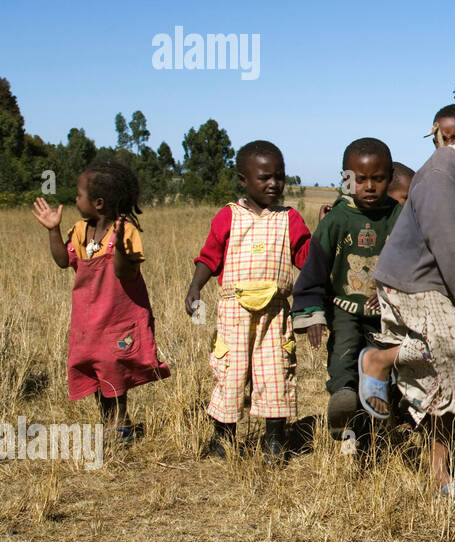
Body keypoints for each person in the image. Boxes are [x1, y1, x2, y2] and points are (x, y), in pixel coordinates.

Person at [359, 78, 455, 504]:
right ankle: (380, 360)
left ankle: (439, 471)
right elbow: (448, 240)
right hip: (411, 281)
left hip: (450, 286)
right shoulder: (440, 172)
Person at [186, 141, 311, 463]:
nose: (274, 184)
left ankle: (274, 441)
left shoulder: (290, 219)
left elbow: (306, 258)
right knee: (231, 372)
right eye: (265, 178)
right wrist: (195, 288)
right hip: (234, 313)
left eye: (279, 177)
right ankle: (223, 440)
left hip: (275, 314)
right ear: (244, 180)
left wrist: (324, 237)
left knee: (276, 372)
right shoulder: (228, 216)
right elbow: (209, 257)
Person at [32, 159, 169, 443]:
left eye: (79, 194)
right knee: (94, 365)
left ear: (98, 202)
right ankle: (109, 420)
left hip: (117, 316)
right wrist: (52, 230)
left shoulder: (125, 231)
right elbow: (62, 261)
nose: (75, 199)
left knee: (114, 366)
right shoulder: (81, 230)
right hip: (89, 316)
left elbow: (123, 272)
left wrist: (119, 248)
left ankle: (120, 423)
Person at [291, 138, 403, 444]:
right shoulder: (336, 220)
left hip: (387, 311)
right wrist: (312, 312)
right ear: (346, 179)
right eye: (361, 179)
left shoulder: (398, 216)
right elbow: (314, 268)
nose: (369, 186)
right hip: (345, 307)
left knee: (385, 371)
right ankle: (343, 405)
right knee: (344, 357)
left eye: (378, 179)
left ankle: (375, 432)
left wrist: (392, 289)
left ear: (390, 177)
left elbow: (411, 260)